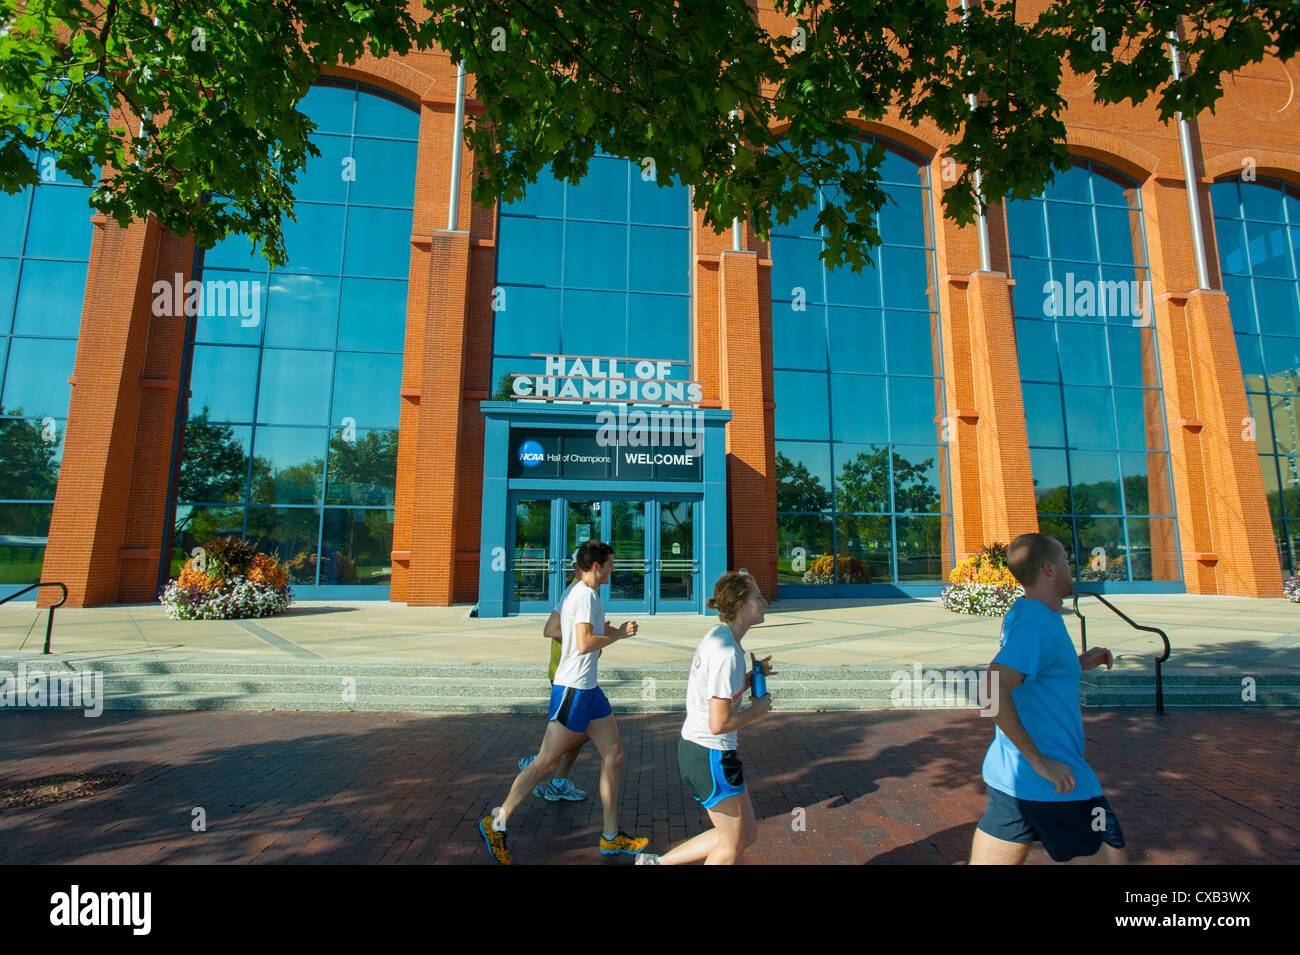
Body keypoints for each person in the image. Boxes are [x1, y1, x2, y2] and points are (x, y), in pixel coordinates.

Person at [480, 539, 648, 864]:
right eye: (611, 563)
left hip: (590, 689)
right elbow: (584, 644)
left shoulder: (581, 593)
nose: (614, 569)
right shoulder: (583, 595)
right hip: (573, 689)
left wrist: (607, 629)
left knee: (613, 754)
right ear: (596, 566)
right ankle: (497, 822)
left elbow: (572, 632)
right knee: (544, 762)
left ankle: (611, 837)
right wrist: (619, 635)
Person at [969, 532, 1128, 865]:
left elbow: (1033, 669)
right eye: (1066, 561)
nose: (1071, 568)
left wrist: (1079, 662)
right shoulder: (1036, 624)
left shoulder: (1025, 611)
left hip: (1008, 781)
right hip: (1058, 785)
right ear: (1048, 569)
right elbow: (991, 688)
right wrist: (1040, 761)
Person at [637, 571, 775, 865]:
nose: (765, 601)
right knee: (731, 844)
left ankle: (655, 864)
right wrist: (757, 710)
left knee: (745, 834)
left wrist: (748, 679)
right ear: (740, 604)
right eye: (758, 597)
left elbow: (715, 690)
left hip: (700, 751)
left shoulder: (720, 636)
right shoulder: (727, 653)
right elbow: (718, 723)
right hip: (710, 754)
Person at [517, 551, 590, 801]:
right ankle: (538, 762)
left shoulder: (584, 591)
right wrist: (585, 641)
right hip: (567, 675)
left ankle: (558, 782)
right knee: (582, 732)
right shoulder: (576, 592)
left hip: (579, 676)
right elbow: (551, 629)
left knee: (586, 732)